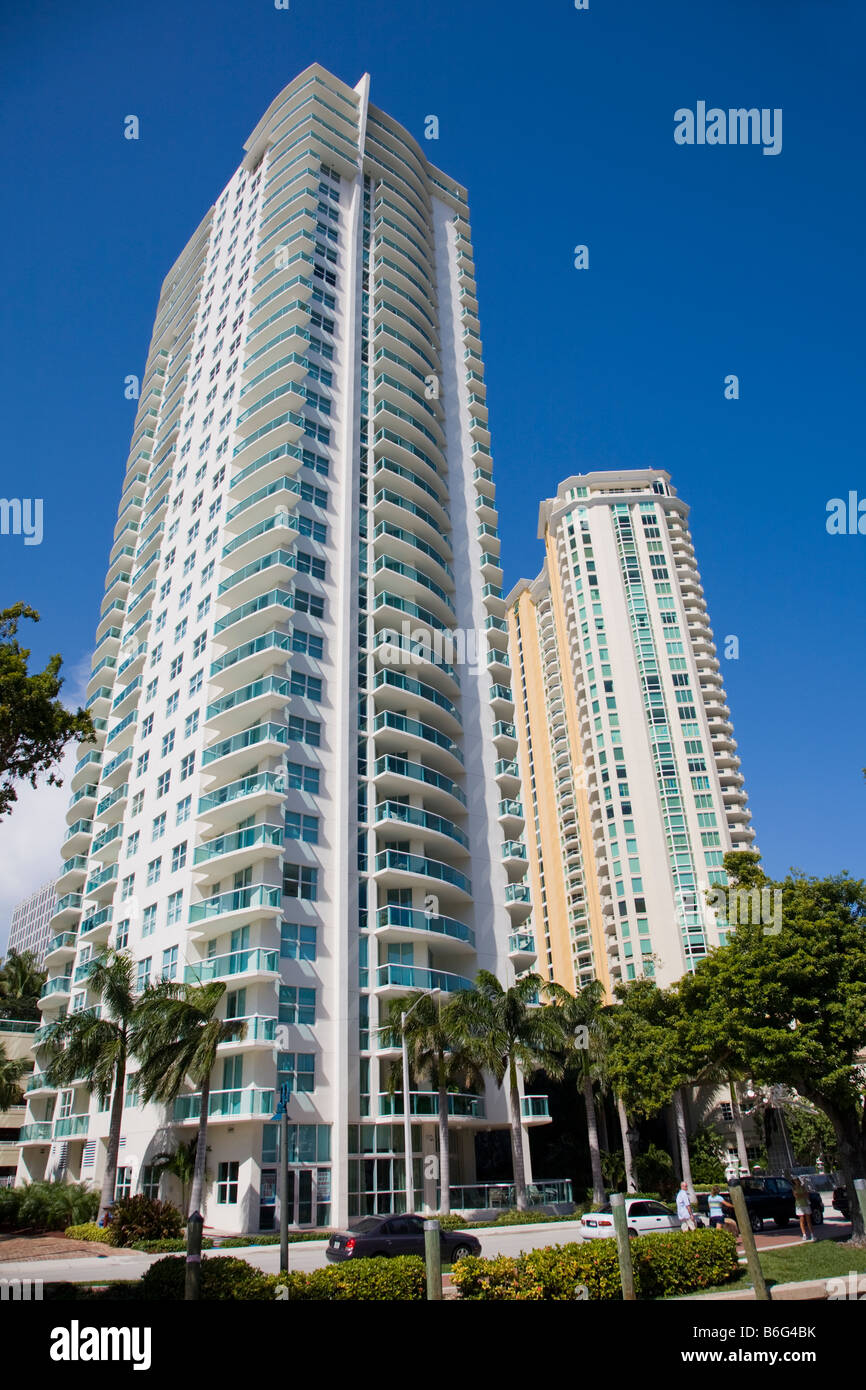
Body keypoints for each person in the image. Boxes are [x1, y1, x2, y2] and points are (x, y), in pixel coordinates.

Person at [790, 1175, 814, 1241]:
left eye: (797, 1180)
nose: (796, 1181)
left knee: (808, 1220)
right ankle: (804, 1235)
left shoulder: (803, 1187)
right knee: (802, 1219)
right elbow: (796, 1196)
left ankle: (812, 1234)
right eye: (794, 1180)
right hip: (799, 1205)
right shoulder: (794, 1188)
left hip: (806, 1204)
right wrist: (802, 1195)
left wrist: (802, 1195)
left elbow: (807, 1194)